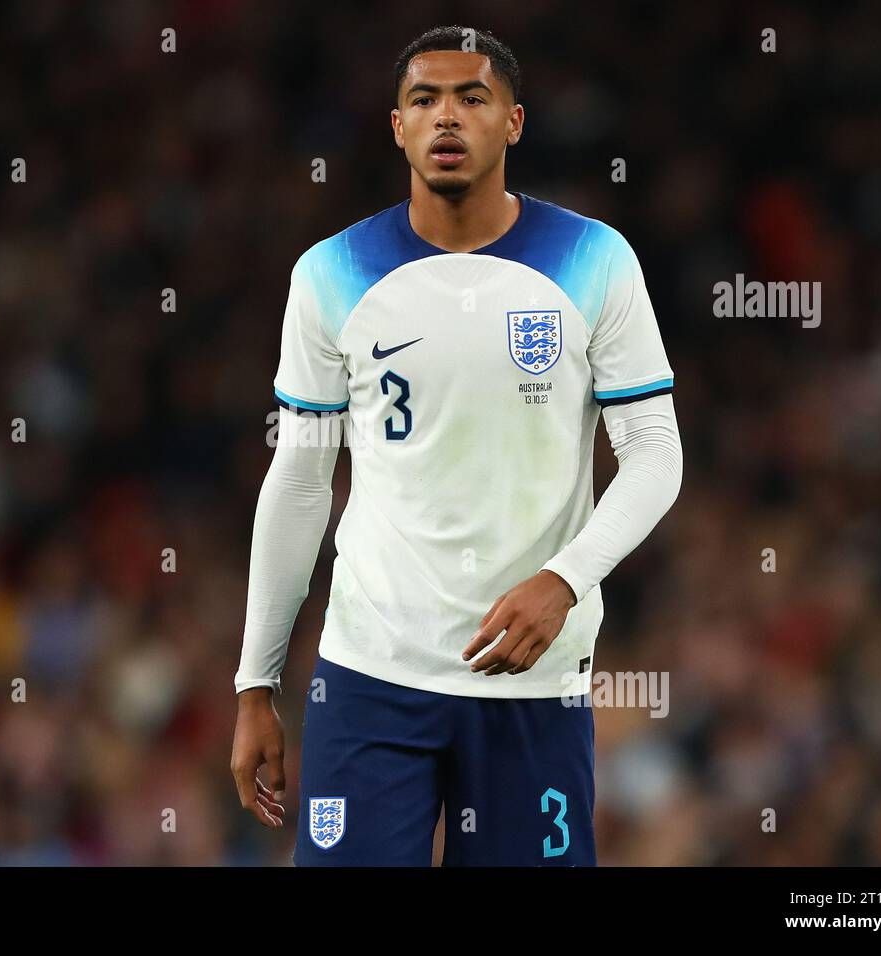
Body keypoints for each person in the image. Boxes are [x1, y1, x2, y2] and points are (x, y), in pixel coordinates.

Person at [230, 24, 683, 866]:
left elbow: (655, 452)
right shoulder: (329, 274)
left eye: (472, 98)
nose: (447, 117)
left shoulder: (595, 259)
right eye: (424, 100)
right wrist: (255, 683)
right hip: (369, 673)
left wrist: (564, 580)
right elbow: (298, 478)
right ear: (396, 127)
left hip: (531, 679)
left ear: (513, 122)